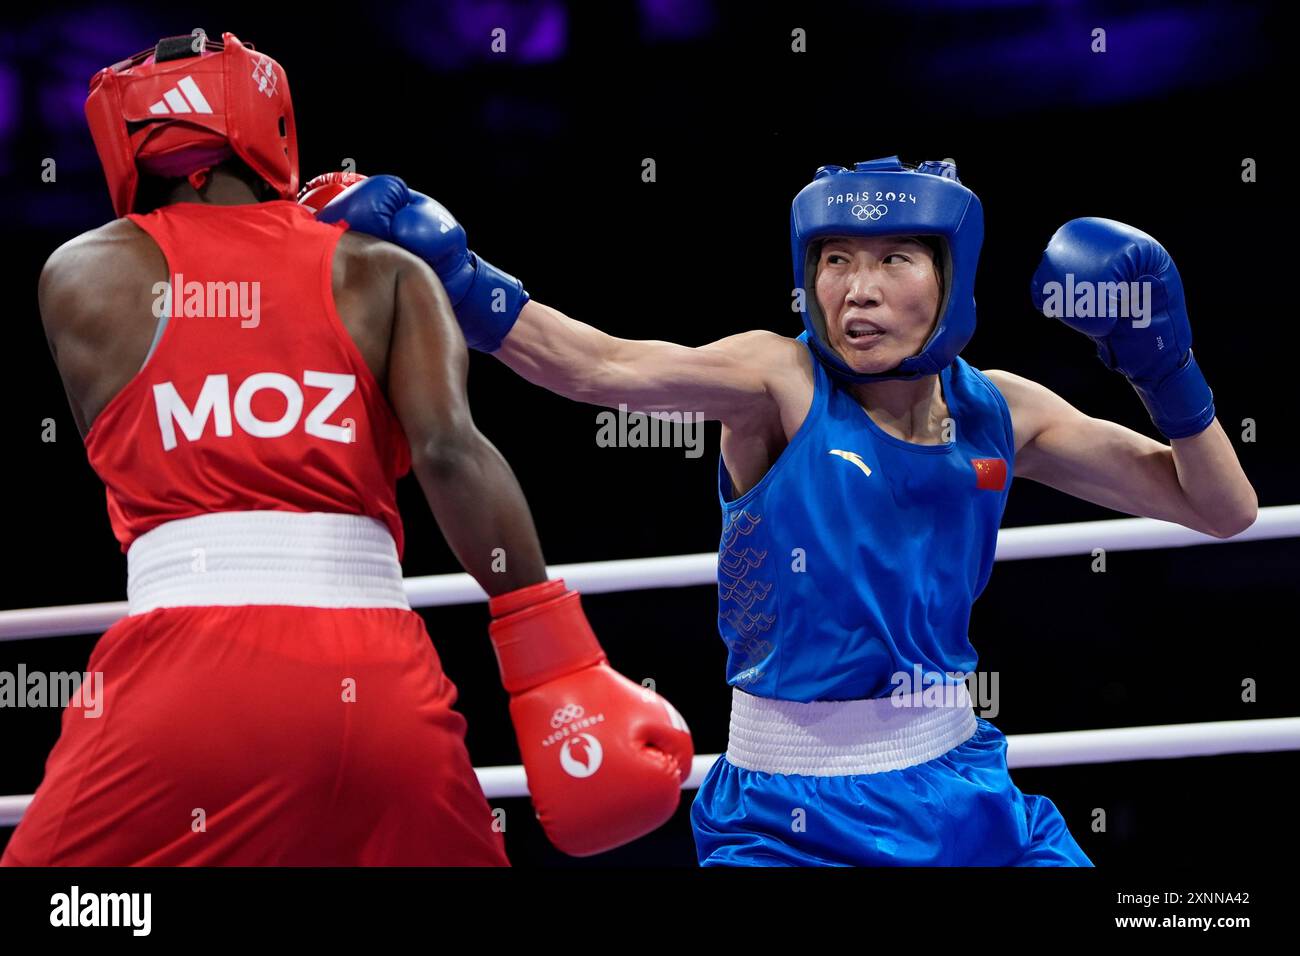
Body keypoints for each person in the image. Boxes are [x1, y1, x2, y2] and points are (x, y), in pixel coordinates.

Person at [306, 156, 1258, 866]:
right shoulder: (779, 383)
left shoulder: (1003, 409)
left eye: (893, 260)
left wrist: (1163, 368)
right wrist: (460, 278)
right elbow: (597, 364)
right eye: (836, 259)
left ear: (951, 276)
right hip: (788, 816)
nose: (859, 290)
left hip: (963, 793)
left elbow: (1221, 509)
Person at [1, 30, 692, 867]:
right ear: (269, 122)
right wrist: (559, 671)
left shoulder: (80, 276)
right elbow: (450, 453)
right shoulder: (383, 271)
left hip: (181, 683)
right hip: (375, 681)